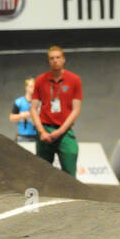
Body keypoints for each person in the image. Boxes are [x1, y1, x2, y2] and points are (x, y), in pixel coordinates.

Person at [29, 45, 83, 176]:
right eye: (52, 58)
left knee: (70, 167)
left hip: (64, 131)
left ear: (63, 59)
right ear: (48, 61)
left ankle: (72, 195)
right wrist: (41, 131)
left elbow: (76, 110)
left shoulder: (74, 80)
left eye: (58, 57)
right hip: (45, 131)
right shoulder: (41, 80)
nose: (55, 61)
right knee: (42, 172)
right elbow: (33, 108)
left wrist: (60, 131)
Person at [9, 76, 37, 142]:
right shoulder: (19, 102)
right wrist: (22, 115)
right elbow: (11, 118)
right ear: (26, 87)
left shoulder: (39, 102)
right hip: (23, 137)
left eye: (34, 87)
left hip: (37, 136)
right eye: (31, 86)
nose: (33, 89)